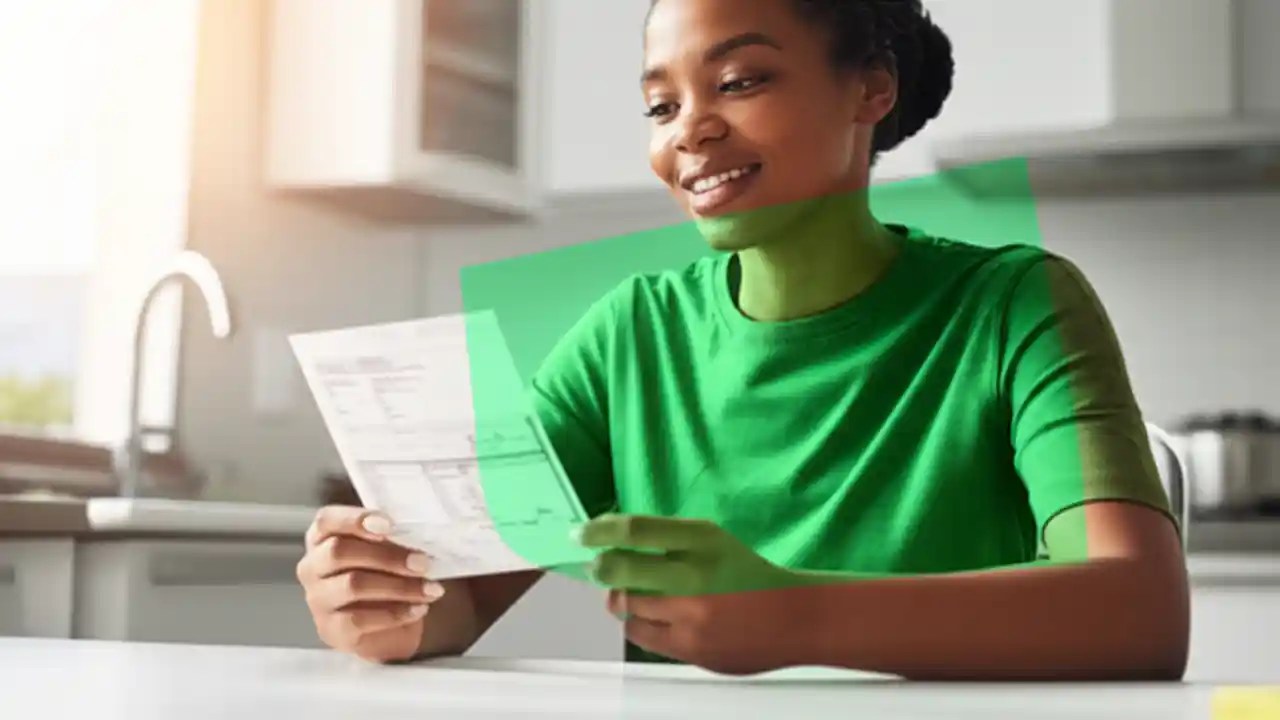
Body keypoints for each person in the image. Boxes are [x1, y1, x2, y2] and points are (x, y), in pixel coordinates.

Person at [295, 0, 1189, 680]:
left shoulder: (1013, 303)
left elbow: (1142, 615)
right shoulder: (629, 336)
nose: (691, 129)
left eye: (740, 82)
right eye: (661, 106)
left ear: (871, 87)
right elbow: (465, 597)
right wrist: (390, 605)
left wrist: (797, 618)